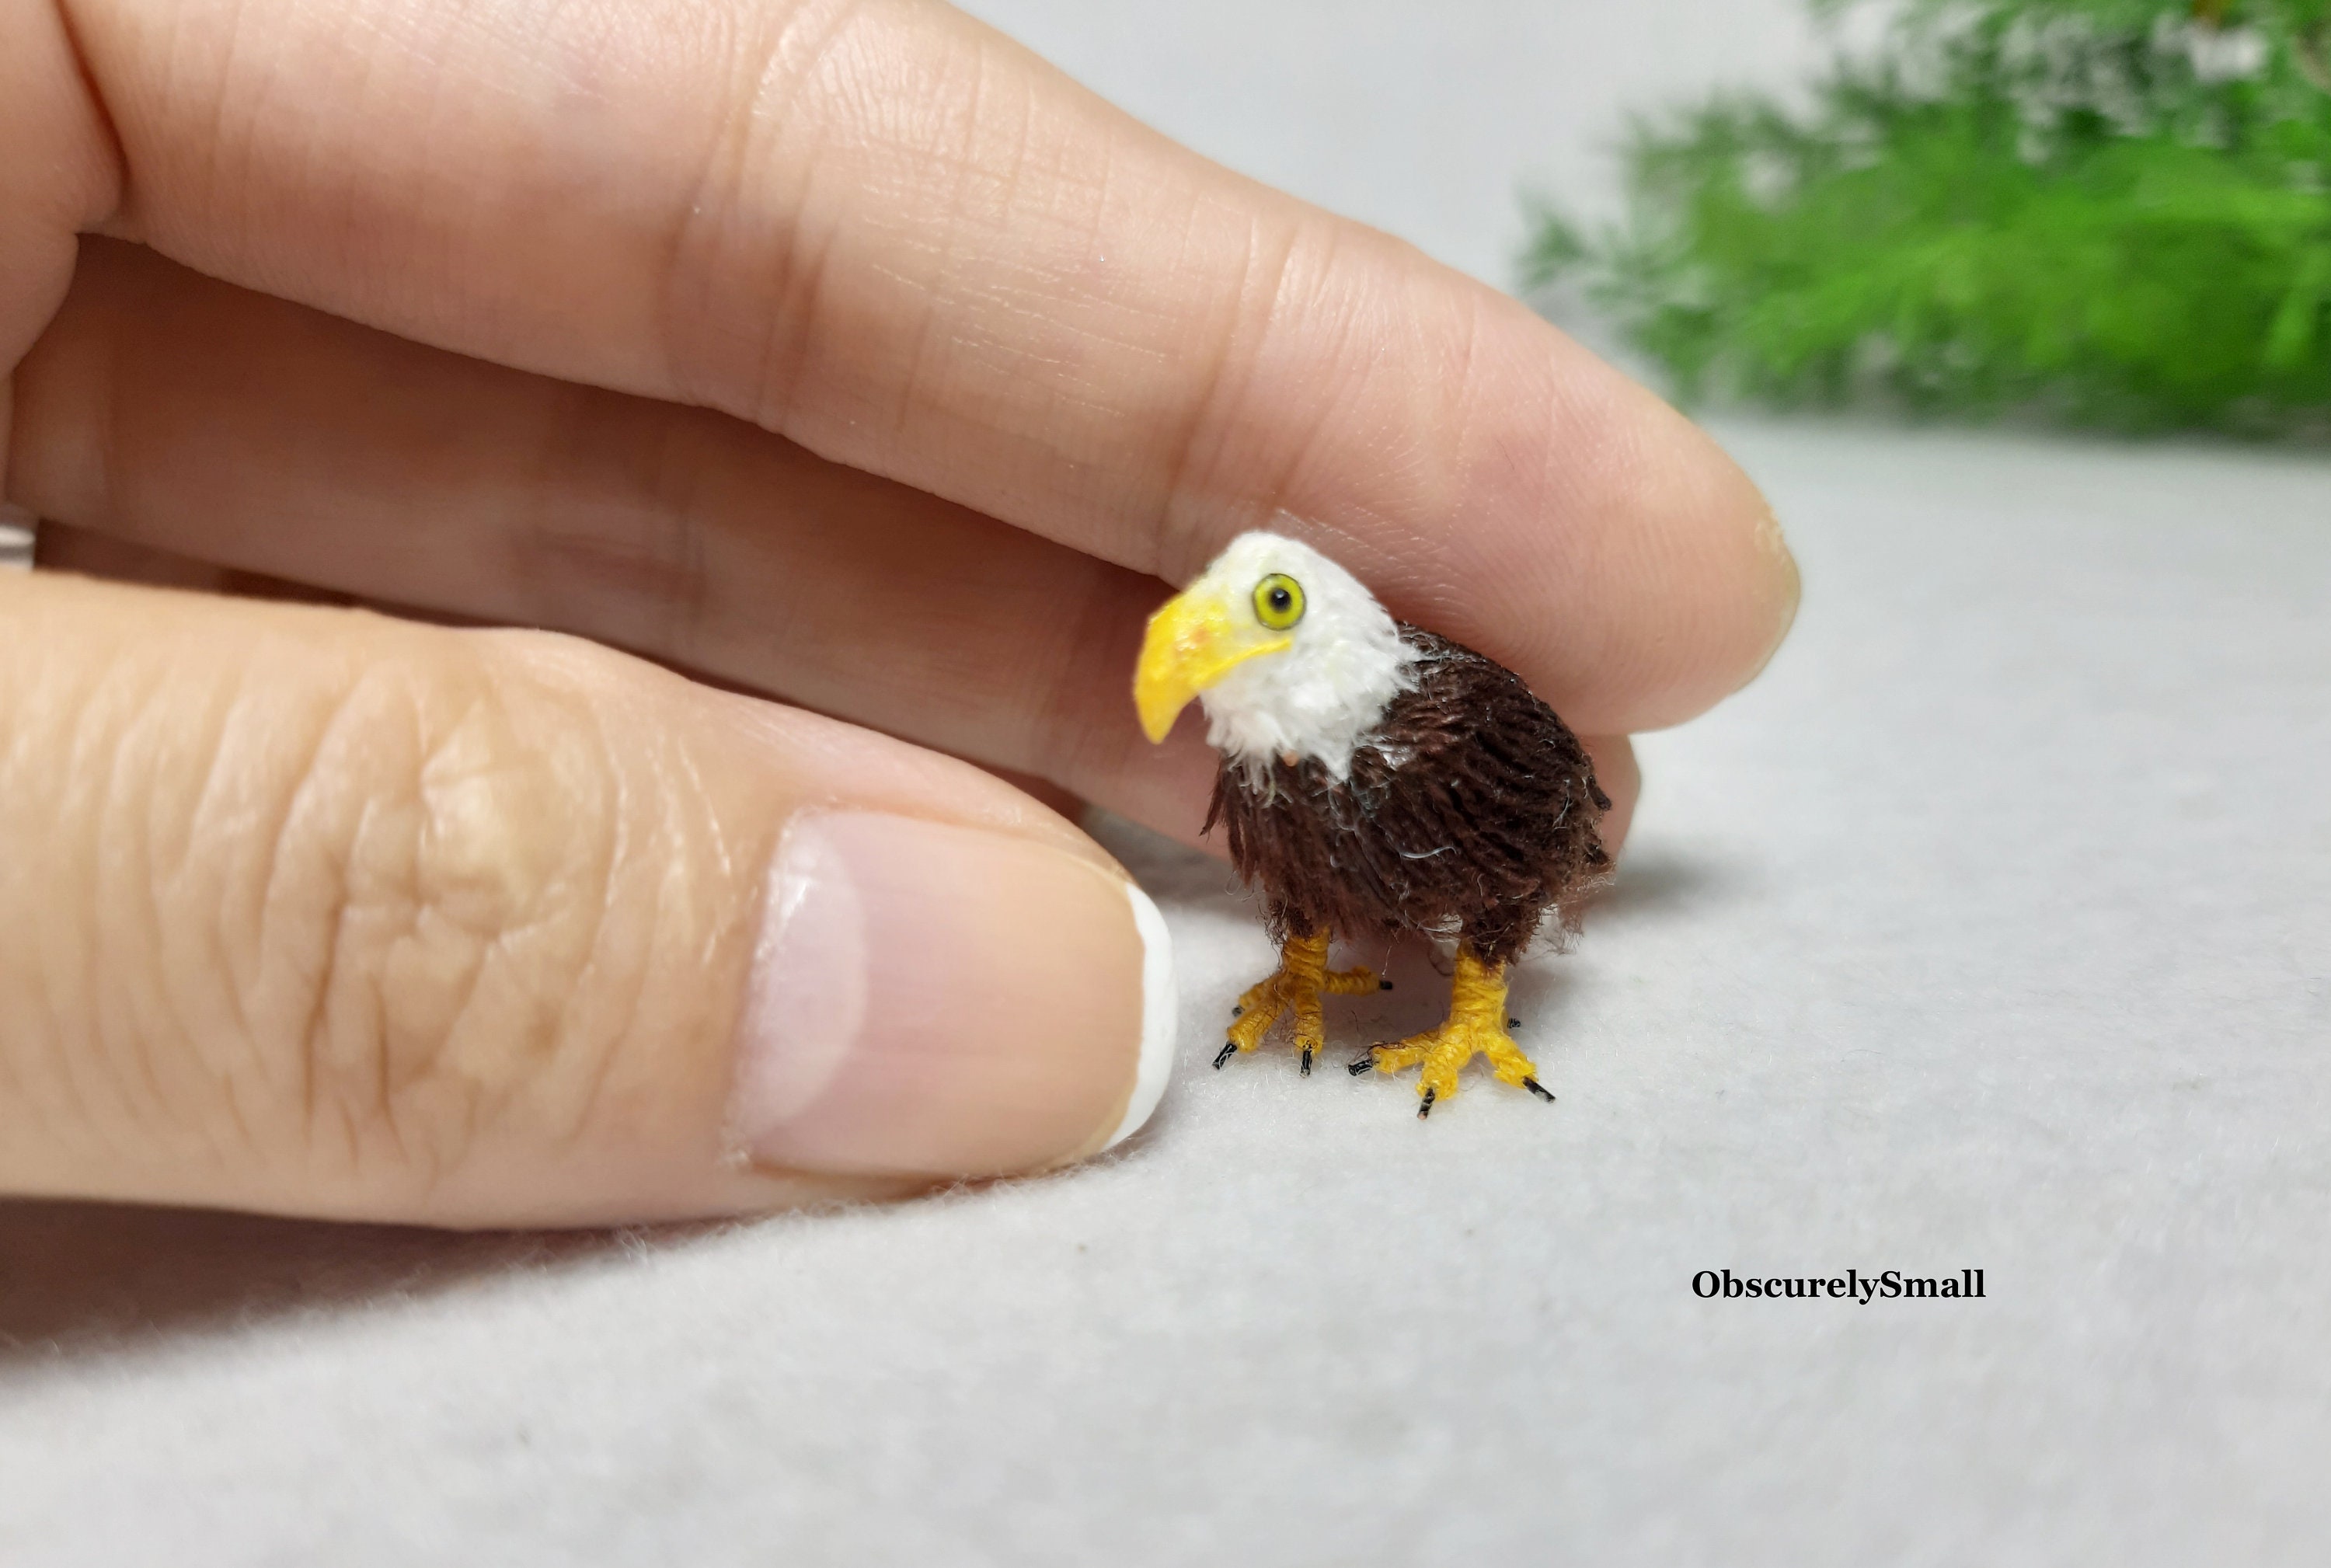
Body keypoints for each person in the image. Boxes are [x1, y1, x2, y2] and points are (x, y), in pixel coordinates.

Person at [0, 0, 1798, 1228]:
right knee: (1284, 834)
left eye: (1251, 608)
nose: (1199, 634)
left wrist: (1476, 979)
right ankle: (1322, 959)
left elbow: (1535, 816)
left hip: (1469, 892)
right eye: (1213, 612)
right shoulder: (1256, 741)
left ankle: (1457, 990)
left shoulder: (1447, 728)